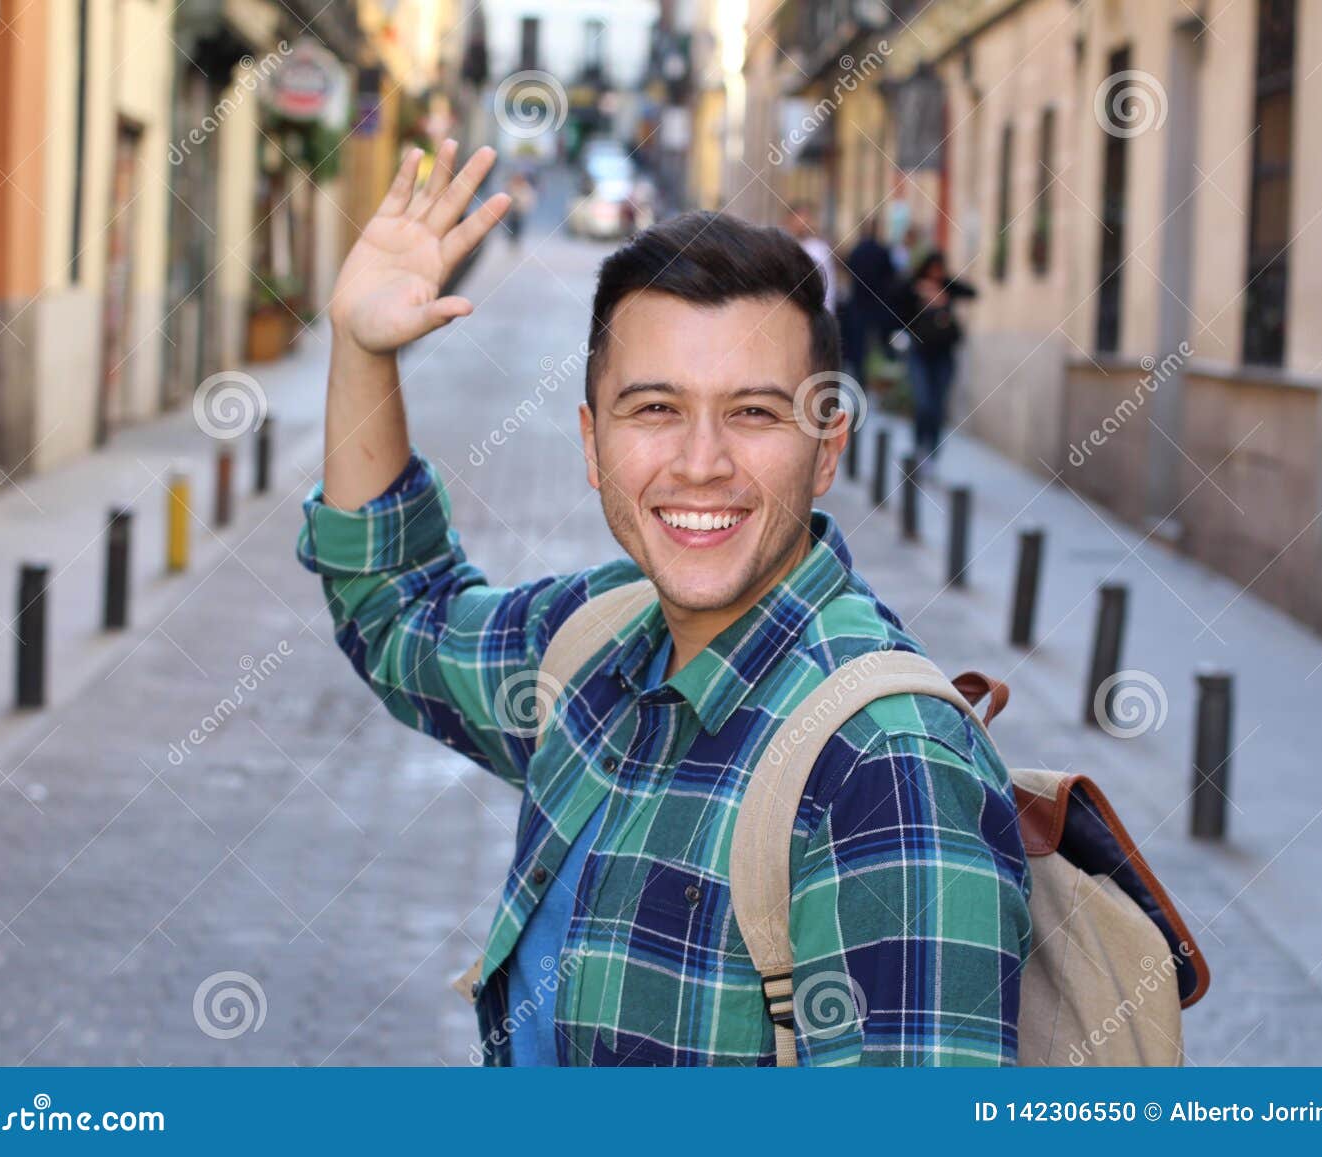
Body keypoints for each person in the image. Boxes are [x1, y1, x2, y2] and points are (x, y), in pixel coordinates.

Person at [298, 141, 1030, 1066]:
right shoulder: (597, 648)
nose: (700, 462)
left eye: (756, 413)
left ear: (828, 445)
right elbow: (401, 614)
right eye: (653, 409)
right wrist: (363, 353)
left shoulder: (886, 771)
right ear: (593, 442)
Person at [895, 250, 976, 475]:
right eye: (932, 270)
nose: (935, 274)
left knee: (938, 406)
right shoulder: (913, 286)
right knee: (923, 403)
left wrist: (943, 298)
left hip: (943, 356)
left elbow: (972, 292)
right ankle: (919, 446)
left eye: (939, 270)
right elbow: (895, 304)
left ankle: (932, 453)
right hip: (919, 354)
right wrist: (919, 293)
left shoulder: (946, 286)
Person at [840, 217, 898, 392]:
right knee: (877, 343)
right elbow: (891, 275)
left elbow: (848, 269)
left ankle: (863, 377)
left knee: (859, 344)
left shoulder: (857, 250)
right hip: (877, 304)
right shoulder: (882, 251)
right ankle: (874, 380)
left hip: (860, 304)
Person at [784, 202, 837, 315]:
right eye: (798, 219)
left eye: (806, 220)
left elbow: (829, 287)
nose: (802, 224)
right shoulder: (782, 247)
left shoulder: (819, 250)